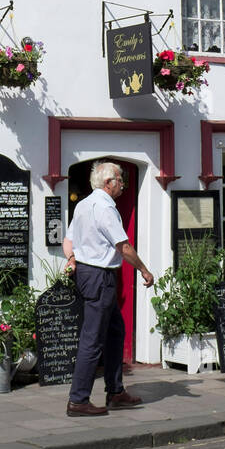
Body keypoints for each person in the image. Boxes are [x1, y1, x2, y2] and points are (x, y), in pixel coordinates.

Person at [63, 161, 154, 417]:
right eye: (119, 180)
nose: (123, 185)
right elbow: (123, 246)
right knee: (92, 339)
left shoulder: (82, 204)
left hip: (88, 273)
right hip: (99, 276)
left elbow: (68, 240)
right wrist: (144, 270)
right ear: (108, 183)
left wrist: (71, 259)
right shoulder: (104, 208)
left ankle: (115, 391)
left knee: (115, 331)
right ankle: (78, 400)